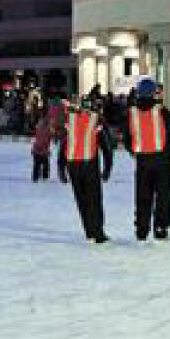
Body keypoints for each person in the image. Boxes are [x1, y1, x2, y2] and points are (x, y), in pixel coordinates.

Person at [123, 78, 170, 241]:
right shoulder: (161, 111)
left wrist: (133, 151)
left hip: (142, 161)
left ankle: (141, 230)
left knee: (143, 195)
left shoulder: (131, 113)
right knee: (162, 195)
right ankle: (160, 229)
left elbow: (126, 137)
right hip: (162, 159)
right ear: (154, 92)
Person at [63, 97, 108, 243]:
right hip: (90, 163)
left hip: (72, 164)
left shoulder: (71, 121)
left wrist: (61, 167)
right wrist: (107, 167)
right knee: (94, 199)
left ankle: (89, 231)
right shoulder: (95, 121)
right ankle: (98, 233)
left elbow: (64, 145)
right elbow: (106, 146)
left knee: (81, 200)